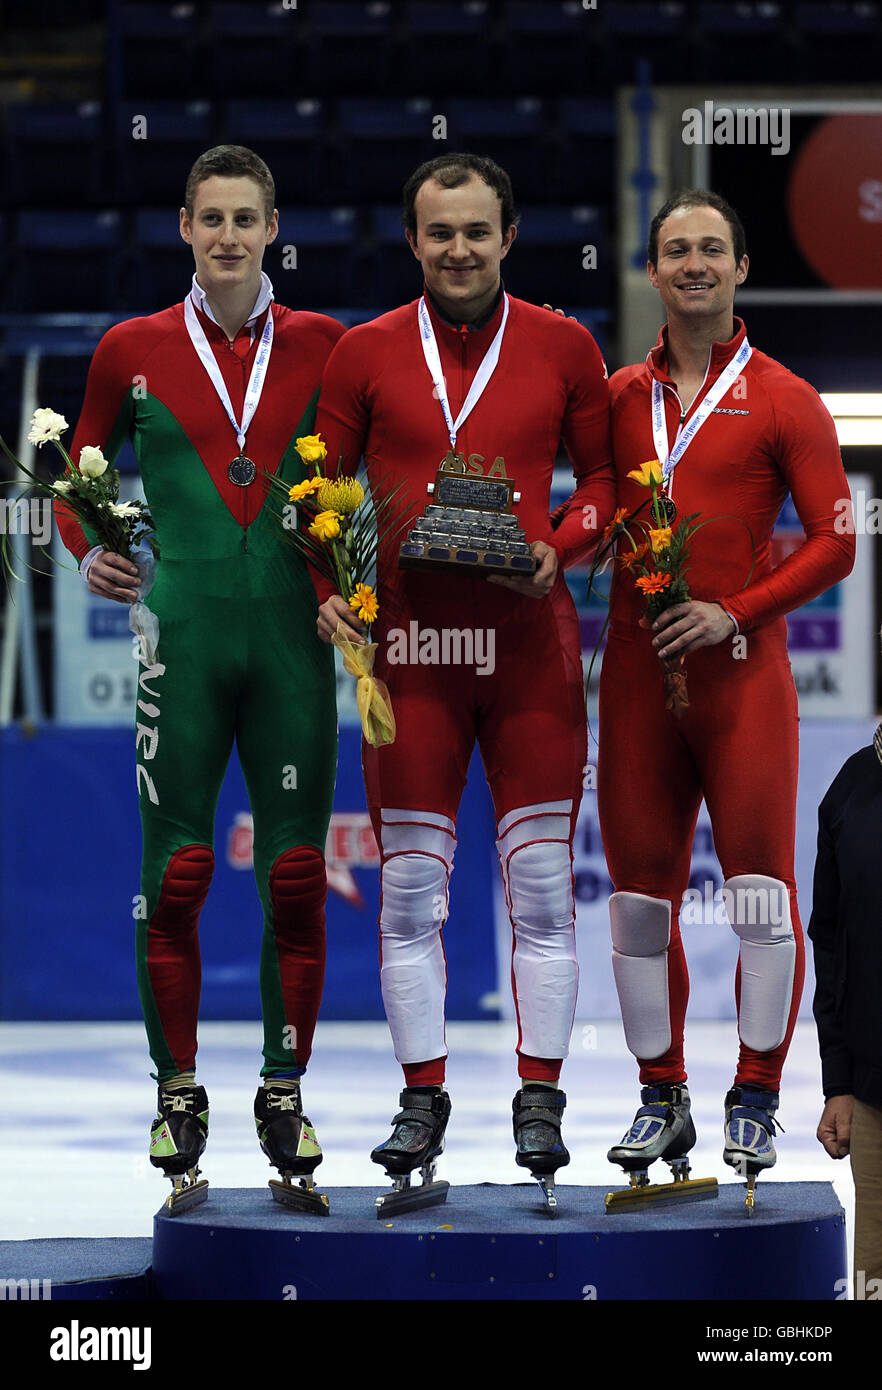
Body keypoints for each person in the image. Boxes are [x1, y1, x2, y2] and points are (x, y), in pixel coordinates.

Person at [310, 152, 615, 1210]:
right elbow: (323, 494)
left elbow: (609, 483)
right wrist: (334, 587)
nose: (458, 250)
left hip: (529, 647)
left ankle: (541, 1094)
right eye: (440, 233)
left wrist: (564, 546)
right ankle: (422, 1095)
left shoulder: (567, 344)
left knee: (540, 889)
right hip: (414, 659)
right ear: (412, 240)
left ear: (509, 235)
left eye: (476, 231)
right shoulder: (362, 352)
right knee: (407, 892)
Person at [55, 145, 345, 1213]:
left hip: (290, 641)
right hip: (176, 641)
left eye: (246, 218)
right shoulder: (128, 348)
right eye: (210, 217)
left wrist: (351, 580)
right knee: (175, 875)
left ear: (275, 229)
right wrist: (90, 555)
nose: (227, 235)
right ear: (183, 226)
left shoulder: (325, 344)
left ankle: (283, 1088)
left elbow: (363, 481)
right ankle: (177, 1092)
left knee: (295, 874)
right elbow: (71, 474)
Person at [598, 189, 855, 1202]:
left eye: (712, 247)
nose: (695, 263)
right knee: (633, 907)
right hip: (633, 680)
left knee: (758, 896)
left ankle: (754, 1092)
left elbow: (836, 541)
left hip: (743, 680)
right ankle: (661, 1092)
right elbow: (578, 505)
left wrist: (735, 611)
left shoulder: (787, 397)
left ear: (740, 266)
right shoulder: (615, 396)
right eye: (676, 250)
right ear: (652, 271)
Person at [809, 711, 882, 1292]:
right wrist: (840, 1082)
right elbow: (830, 946)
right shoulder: (849, 790)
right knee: (874, 1281)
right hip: (875, 1100)